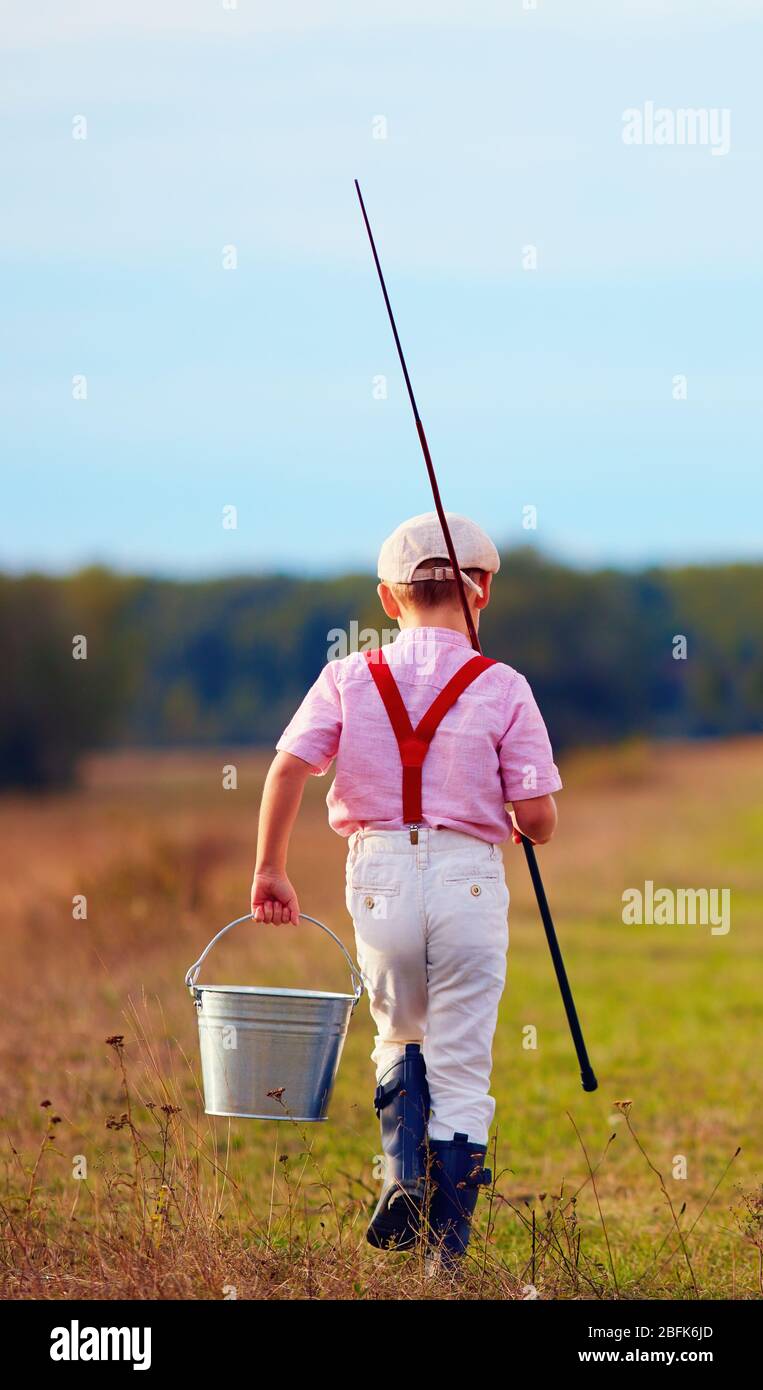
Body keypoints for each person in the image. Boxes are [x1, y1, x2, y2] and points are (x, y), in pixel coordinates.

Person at [250, 512, 561, 1269]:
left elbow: (288, 766)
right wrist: (520, 821)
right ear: (481, 591)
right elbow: (539, 819)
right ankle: (442, 1256)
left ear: (388, 600)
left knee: (397, 1032)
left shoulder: (347, 675)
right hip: (467, 882)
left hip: (379, 875)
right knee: (461, 1060)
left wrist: (270, 869)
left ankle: (399, 1171)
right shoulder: (504, 685)